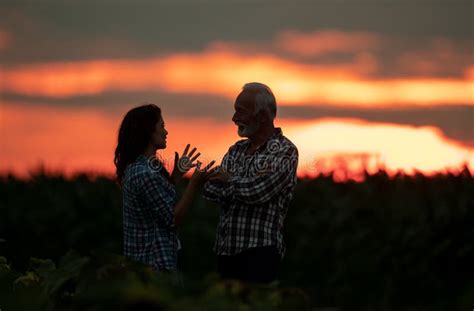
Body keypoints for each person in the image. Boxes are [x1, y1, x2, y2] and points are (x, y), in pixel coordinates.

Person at [203, 82, 299, 283]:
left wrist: (229, 180)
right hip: (226, 250)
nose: (234, 118)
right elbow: (212, 191)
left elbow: (258, 193)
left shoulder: (285, 151)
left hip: (260, 252)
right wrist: (243, 184)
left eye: (241, 111)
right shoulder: (236, 149)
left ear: (263, 116)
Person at [114, 103, 215, 273]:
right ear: (149, 131)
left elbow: (158, 205)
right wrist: (194, 183)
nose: (166, 132)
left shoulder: (139, 168)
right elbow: (172, 219)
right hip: (154, 266)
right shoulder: (145, 174)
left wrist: (175, 176)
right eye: (162, 126)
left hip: (146, 265)